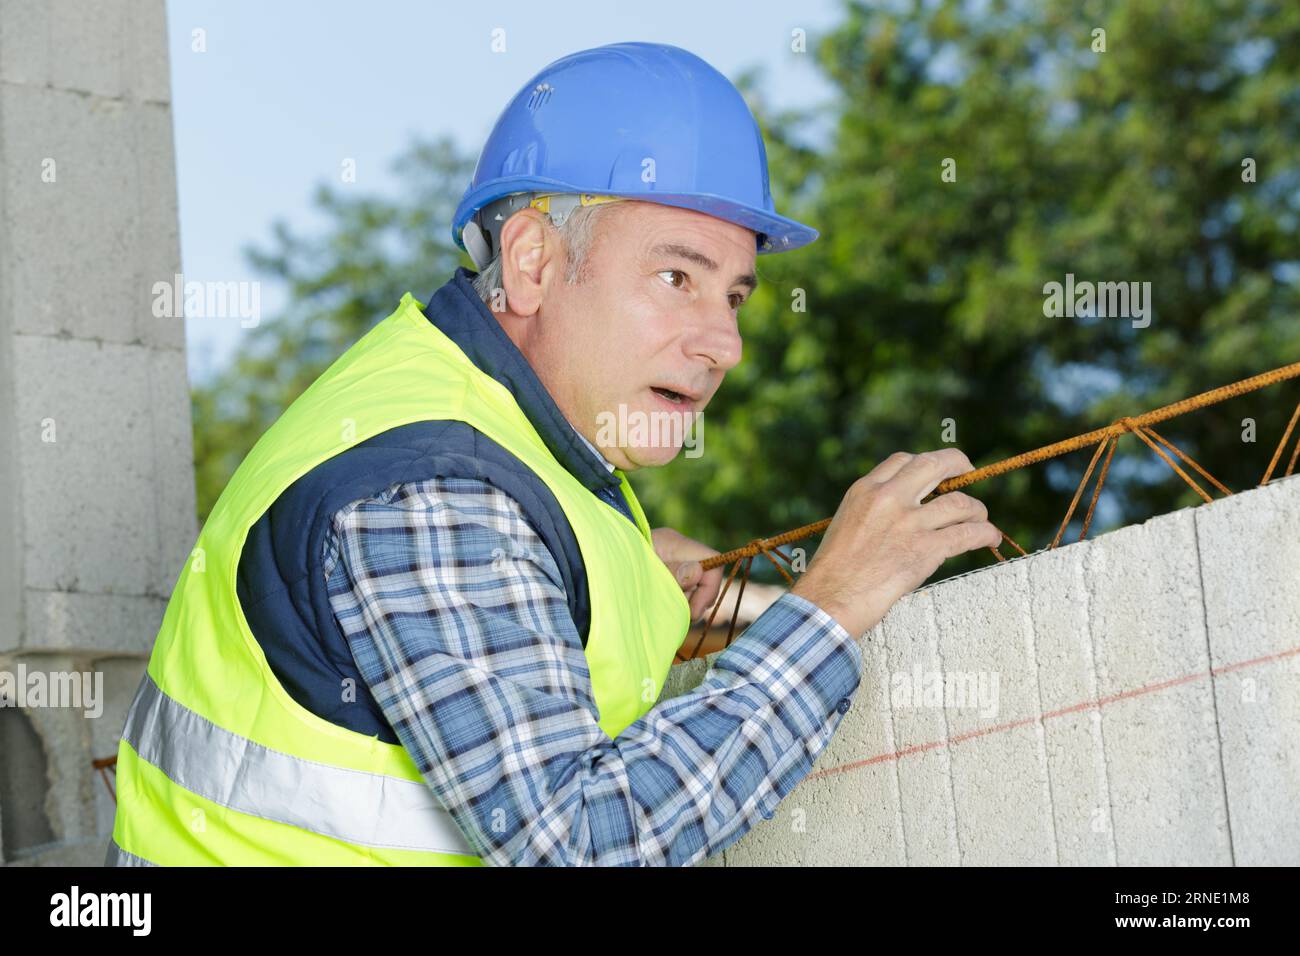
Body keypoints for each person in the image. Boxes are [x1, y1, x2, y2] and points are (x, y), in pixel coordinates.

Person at [106, 41, 998, 867]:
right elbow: (577, 844)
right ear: (531, 263)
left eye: (735, 295)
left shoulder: (491, 426)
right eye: (676, 277)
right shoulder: (432, 488)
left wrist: (623, 583)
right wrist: (833, 606)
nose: (722, 343)